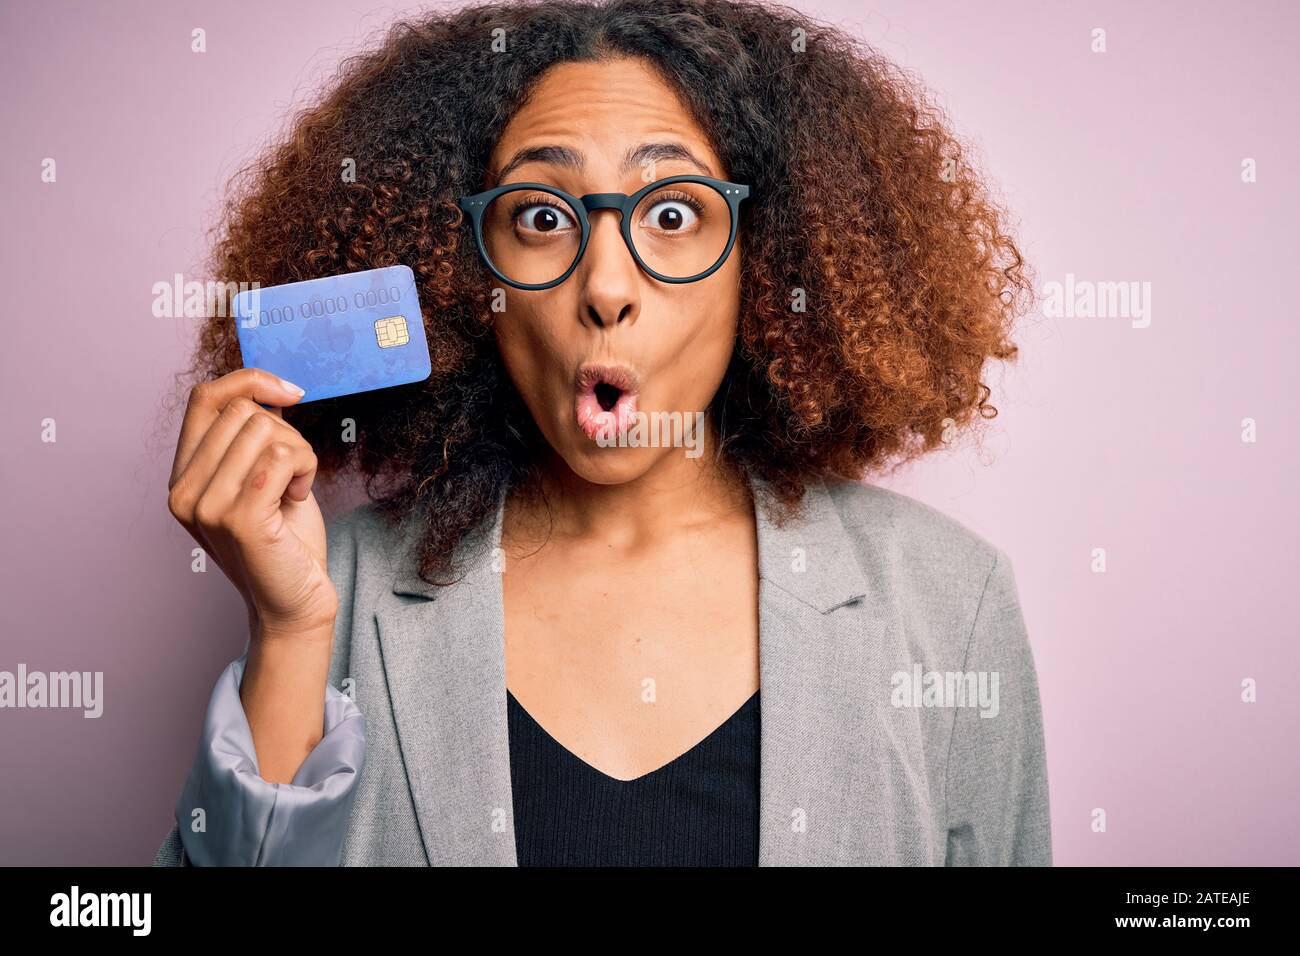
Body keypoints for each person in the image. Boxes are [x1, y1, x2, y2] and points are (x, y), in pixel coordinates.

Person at [154, 0, 1049, 867]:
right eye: (542, 218)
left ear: (766, 259)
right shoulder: (332, 589)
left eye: (672, 212)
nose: (606, 286)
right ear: (466, 281)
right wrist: (289, 632)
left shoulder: (949, 602)